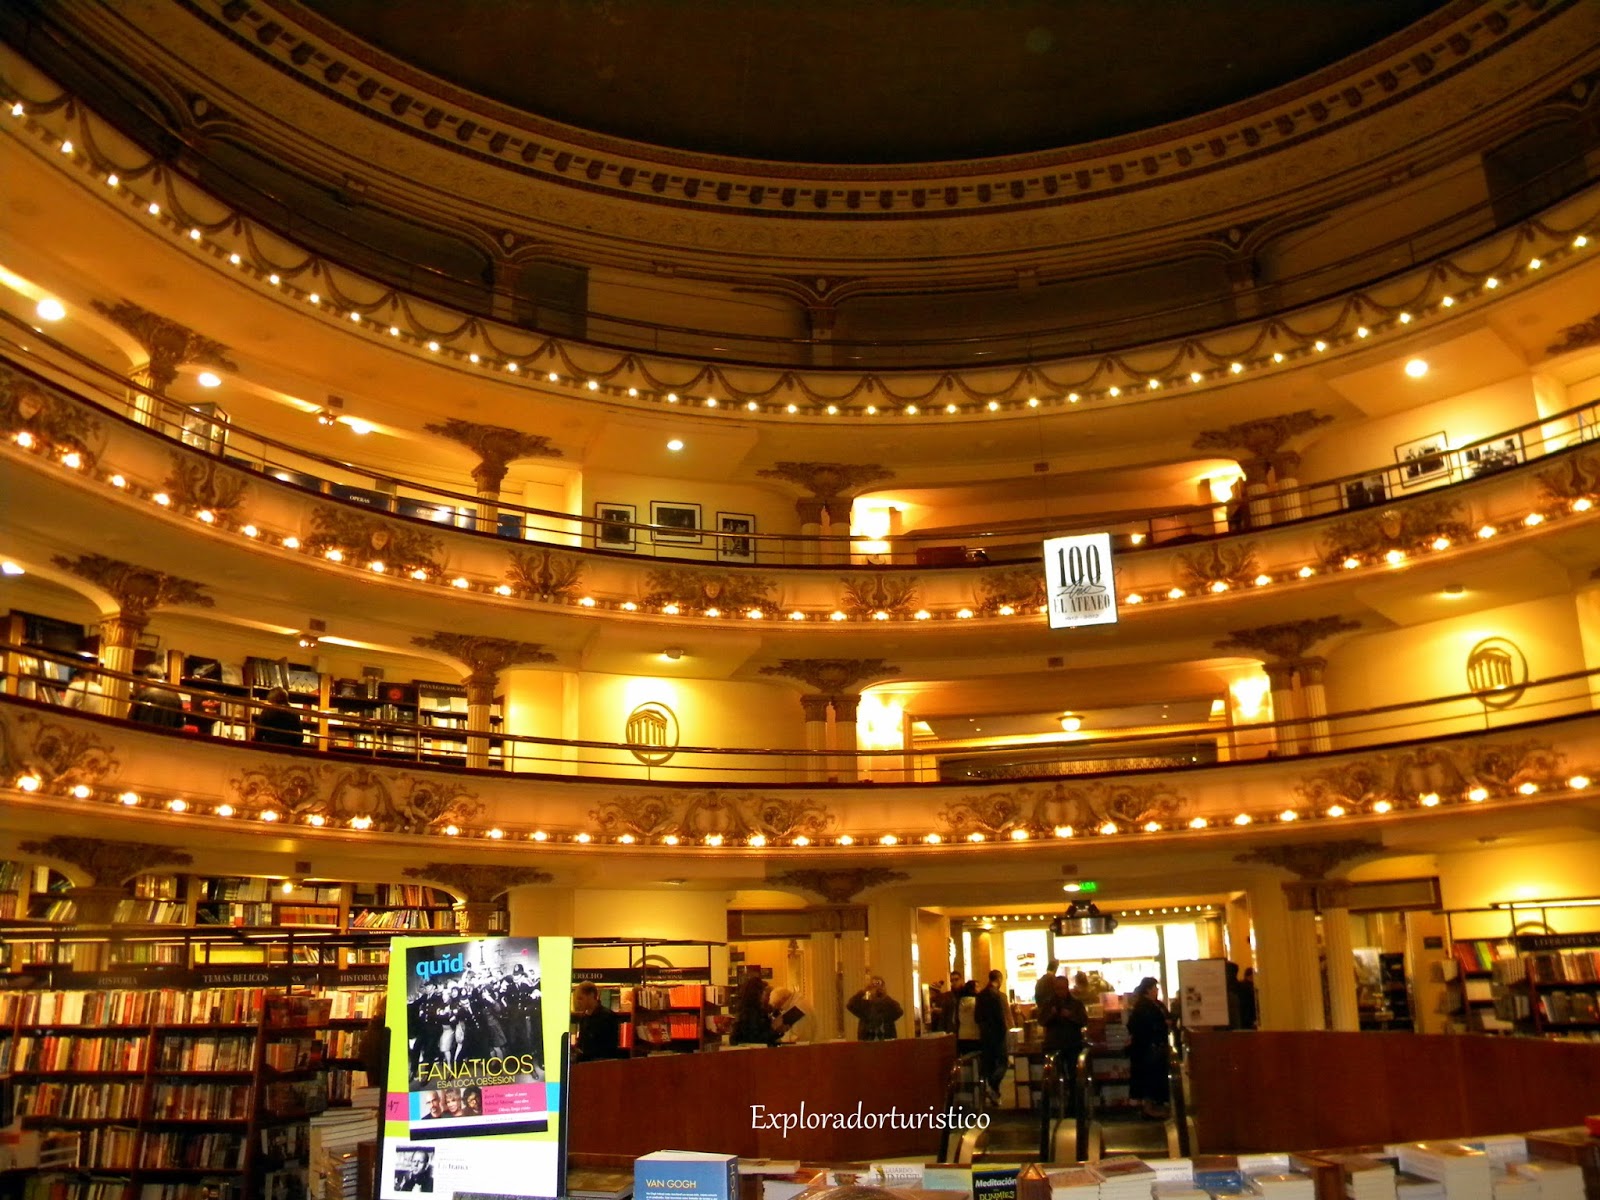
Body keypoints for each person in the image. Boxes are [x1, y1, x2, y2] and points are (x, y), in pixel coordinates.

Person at [1036, 975, 1088, 1107]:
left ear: (1067, 988)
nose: (1060, 992)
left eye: (1063, 988)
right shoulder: (1049, 1004)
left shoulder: (1076, 1003)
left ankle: (1073, 1104)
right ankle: (1056, 1103)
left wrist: (1070, 1016)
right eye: (1058, 988)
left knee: (1073, 1074)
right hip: (1054, 1044)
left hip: (1072, 1043)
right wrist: (1051, 1015)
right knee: (1055, 1074)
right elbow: (1041, 1021)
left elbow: (1083, 1020)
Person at [1127, 976, 1173, 1118]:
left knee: (1153, 1077)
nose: (1157, 990)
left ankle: (1152, 1106)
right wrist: (1163, 1025)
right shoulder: (1145, 1007)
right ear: (1148, 990)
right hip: (1149, 1047)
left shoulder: (1152, 1005)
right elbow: (1140, 1026)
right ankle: (1149, 1107)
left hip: (1152, 1047)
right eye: (1154, 988)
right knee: (1150, 1078)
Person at [975, 969, 1011, 1096]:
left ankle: (994, 1092)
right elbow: (1002, 1017)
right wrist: (1005, 1030)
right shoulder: (999, 996)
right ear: (999, 979)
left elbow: (977, 1017)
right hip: (998, 1034)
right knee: (1003, 1062)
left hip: (985, 1035)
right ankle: (993, 1084)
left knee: (990, 1063)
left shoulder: (980, 995)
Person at [571, 982, 626, 1060]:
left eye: (580, 998)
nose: (578, 1002)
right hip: (585, 1062)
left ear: (591, 995)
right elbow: (582, 1043)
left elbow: (609, 1047)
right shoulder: (584, 1017)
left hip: (601, 1063)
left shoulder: (607, 1016)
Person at [846, 976, 902, 1041]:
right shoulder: (865, 1004)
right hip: (867, 1040)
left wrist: (885, 996)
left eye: (879, 984)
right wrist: (864, 991)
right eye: (873, 986)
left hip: (886, 1040)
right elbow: (850, 1005)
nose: (876, 988)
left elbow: (899, 1011)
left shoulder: (887, 1003)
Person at [129, 663, 185, 728]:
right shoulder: (176, 696)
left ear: (146, 677)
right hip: (166, 733)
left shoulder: (143, 693)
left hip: (144, 731)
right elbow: (180, 724)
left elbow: (132, 719)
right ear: (162, 677)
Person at [729, 975, 776, 1046]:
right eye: (764, 992)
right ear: (758, 993)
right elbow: (755, 1038)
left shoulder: (746, 1010)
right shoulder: (752, 1013)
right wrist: (775, 1031)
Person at [954, 979, 980, 1056]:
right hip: (975, 1034)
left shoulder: (960, 1002)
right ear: (973, 989)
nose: (979, 989)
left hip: (962, 1035)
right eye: (977, 986)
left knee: (966, 1058)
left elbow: (955, 1019)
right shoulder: (977, 1002)